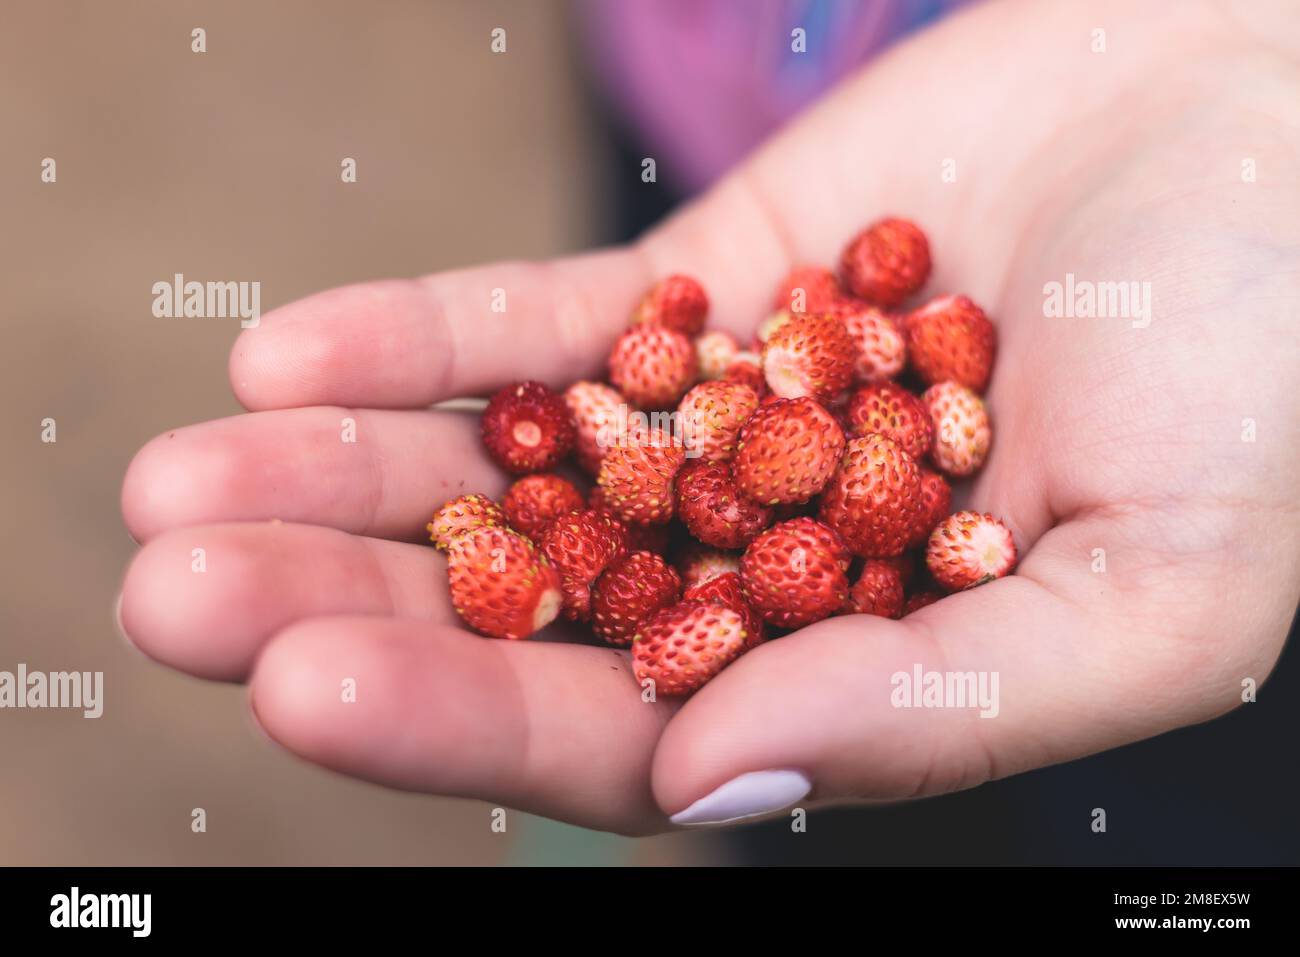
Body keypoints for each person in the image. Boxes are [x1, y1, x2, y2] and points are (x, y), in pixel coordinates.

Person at [119, 0, 1300, 835]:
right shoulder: (699, 445)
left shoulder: (842, 433)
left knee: (1169, 809)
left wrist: (1247, 59)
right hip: (693, 69)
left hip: (1052, 116)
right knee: (828, 774)